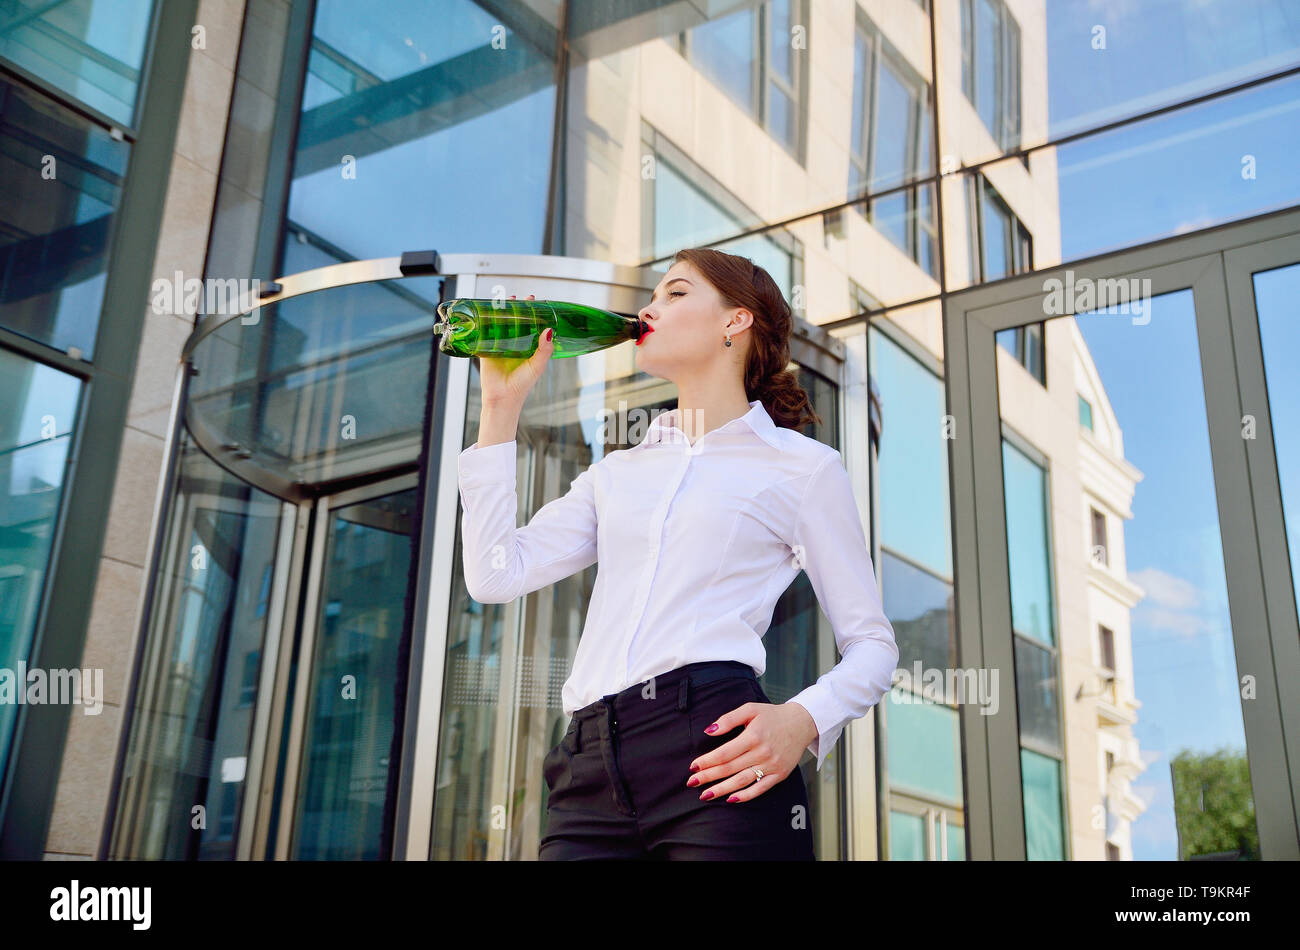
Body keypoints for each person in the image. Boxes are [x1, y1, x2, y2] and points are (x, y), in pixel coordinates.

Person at [456, 246, 898, 860]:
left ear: (735, 321)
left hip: (715, 750)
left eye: (676, 292)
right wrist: (500, 409)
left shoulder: (802, 469)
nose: (649, 307)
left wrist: (803, 720)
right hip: (586, 770)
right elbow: (493, 574)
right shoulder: (617, 473)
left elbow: (873, 645)